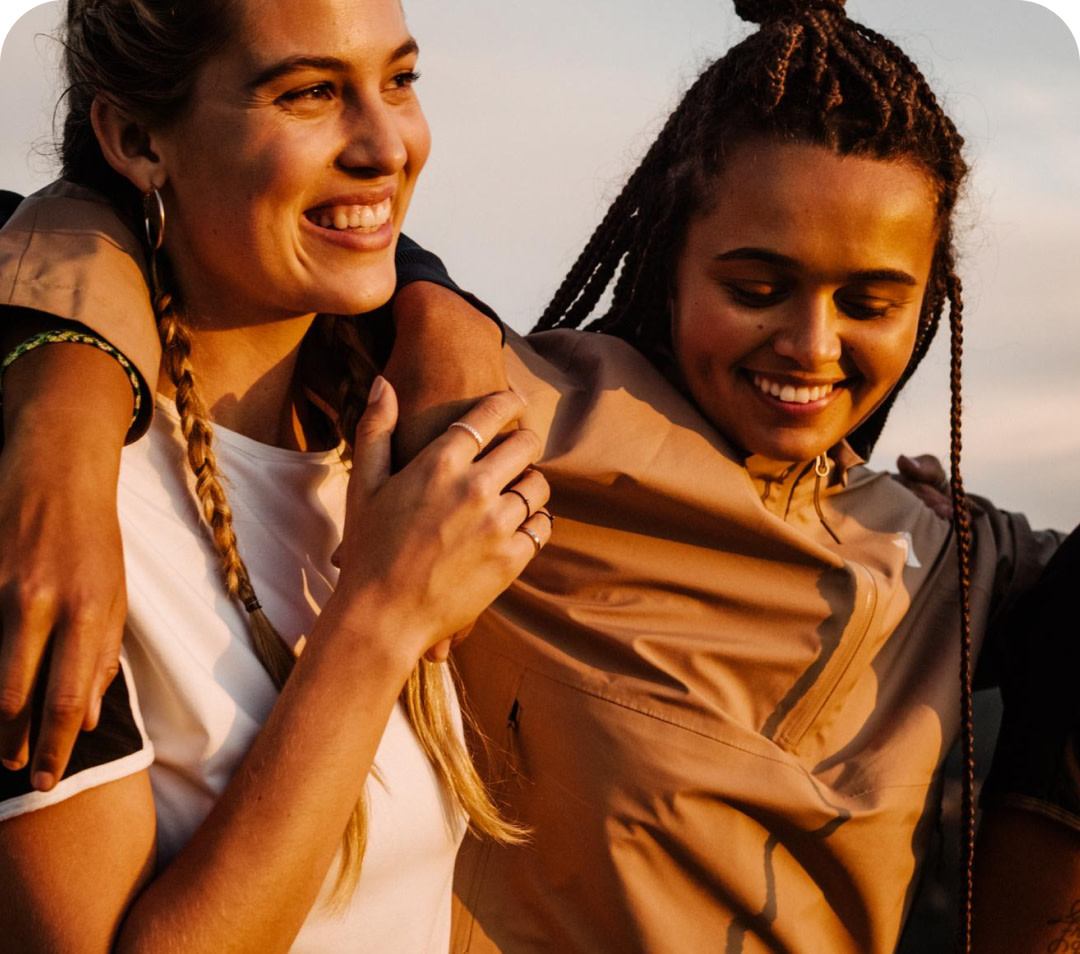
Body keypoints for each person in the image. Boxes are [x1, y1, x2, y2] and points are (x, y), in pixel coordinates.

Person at [0, 0, 1069, 951]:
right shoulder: (494, 436)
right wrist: (62, 400)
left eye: (873, 303)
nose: (811, 344)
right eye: (755, 285)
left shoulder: (954, 561)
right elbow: (69, 218)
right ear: (667, 251)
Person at [0, 0, 552, 951]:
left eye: (401, 81)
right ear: (136, 138)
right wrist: (379, 619)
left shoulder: (376, 438)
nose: (387, 146)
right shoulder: (47, 513)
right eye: (308, 94)